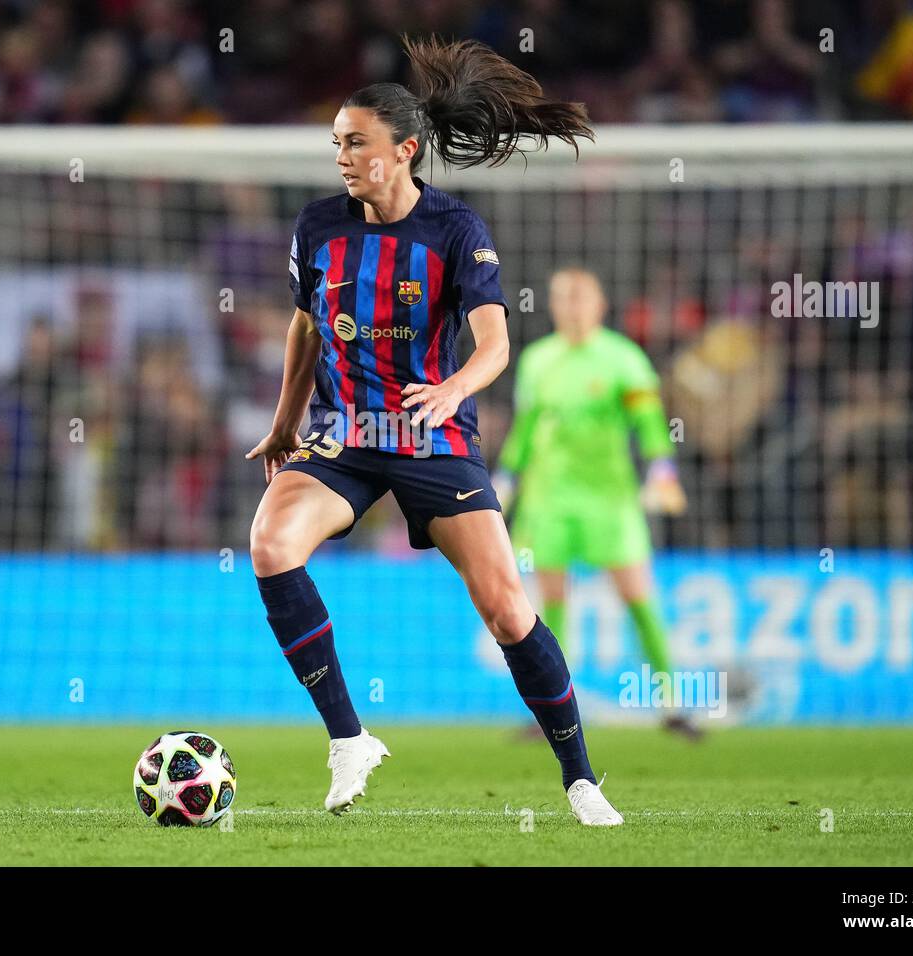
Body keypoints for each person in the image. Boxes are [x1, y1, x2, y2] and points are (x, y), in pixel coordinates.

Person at [245, 35, 623, 825]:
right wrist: (284, 425)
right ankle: (349, 739)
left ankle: (582, 780)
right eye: (337, 143)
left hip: (431, 437)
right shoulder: (318, 226)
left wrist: (452, 389)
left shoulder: (455, 229)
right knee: (271, 545)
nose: (342, 157)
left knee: (508, 610)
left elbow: (494, 345)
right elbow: (305, 327)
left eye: (357, 143)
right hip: (345, 436)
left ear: (404, 151)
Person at [496, 267, 699, 740]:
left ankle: (672, 704)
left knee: (638, 596)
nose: (572, 308)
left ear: (599, 305)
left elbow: (649, 420)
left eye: (580, 298)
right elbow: (526, 427)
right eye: (563, 299)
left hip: (610, 497)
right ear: (553, 306)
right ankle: (554, 709)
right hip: (549, 497)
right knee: (550, 603)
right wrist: (506, 476)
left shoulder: (624, 359)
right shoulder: (538, 361)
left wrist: (661, 467)